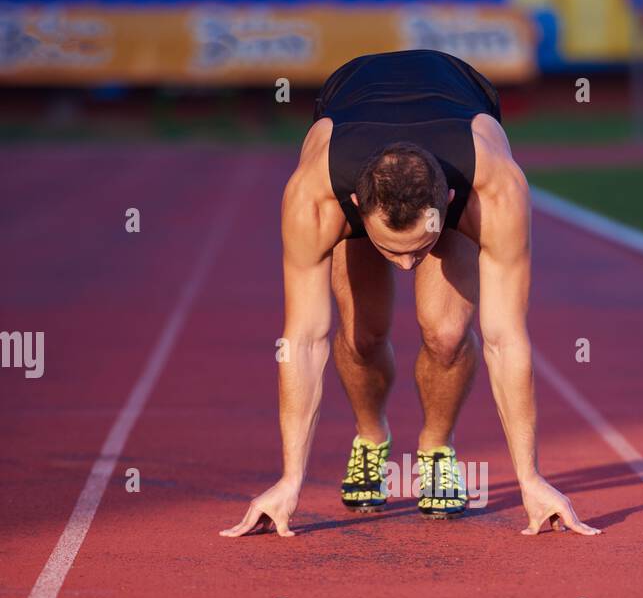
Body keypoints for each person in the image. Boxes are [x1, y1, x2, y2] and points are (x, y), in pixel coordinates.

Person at [221, 48, 600, 538]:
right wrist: (290, 478)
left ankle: (437, 447)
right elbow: (304, 338)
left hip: (458, 96)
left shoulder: (493, 189)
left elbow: (506, 338)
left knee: (445, 333)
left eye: (418, 247)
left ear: (446, 203)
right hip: (351, 94)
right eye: (389, 248)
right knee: (362, 333)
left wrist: (530, 478)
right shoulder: (315, 195)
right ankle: (370, 436)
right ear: (357, 207)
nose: (404, 264)